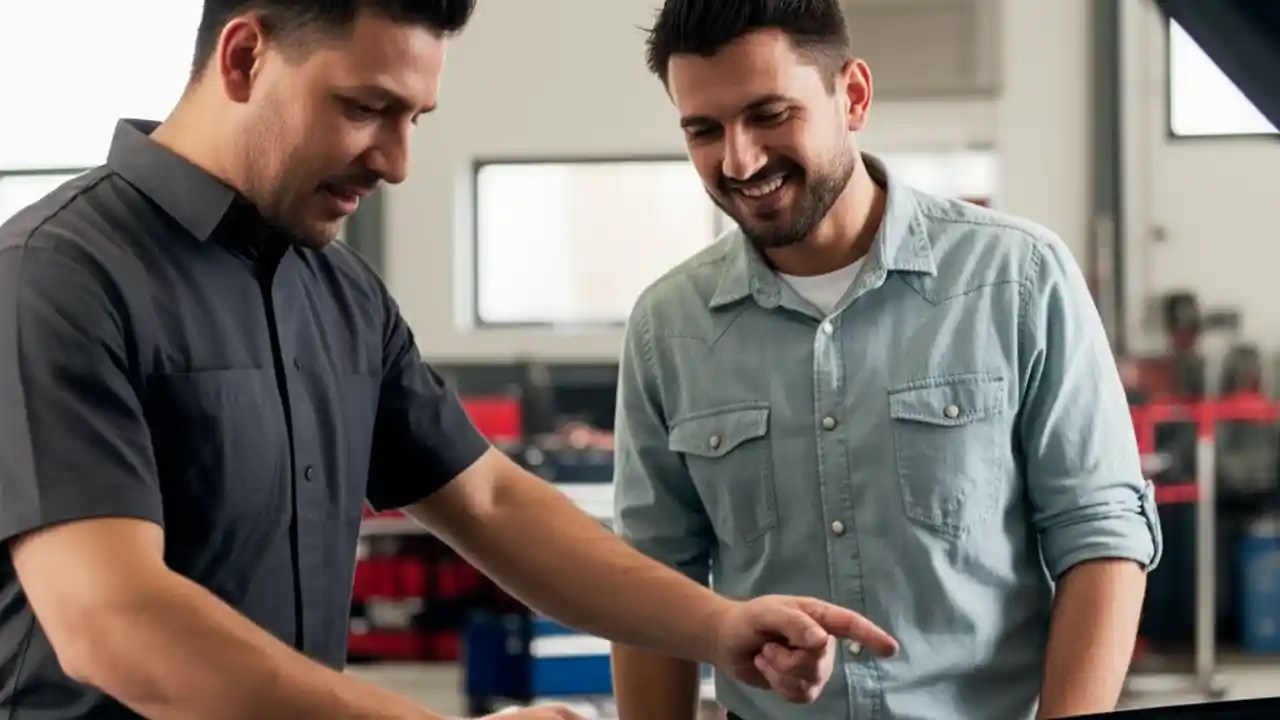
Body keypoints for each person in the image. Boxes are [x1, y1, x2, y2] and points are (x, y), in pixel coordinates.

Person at [0, 2, 902, 719]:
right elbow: (110, 622)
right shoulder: (55, 279)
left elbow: (490, 500)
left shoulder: (341, 293)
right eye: (366, 109)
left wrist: (717, 626)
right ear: (243, 59)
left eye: (415, 118)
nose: (396, 161)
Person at [609, 1, 1165, 719]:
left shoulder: (1018, 279)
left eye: (770, 114)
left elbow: (1101, 534)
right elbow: (655, 585)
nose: (739, 160)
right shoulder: (669, 328)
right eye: (704, 130)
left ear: (854, 96)